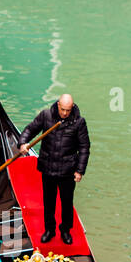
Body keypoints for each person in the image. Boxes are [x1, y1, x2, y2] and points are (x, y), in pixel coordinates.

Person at [16, 94, 90, 245]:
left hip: (67, 171)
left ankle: (65, 230)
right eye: (62, 109)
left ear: (72, 108)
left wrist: (80, 170)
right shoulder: (46, 115)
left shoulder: (79, 122)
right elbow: (31, 129)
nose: (64, 113)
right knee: (48, 202)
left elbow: (84, 147)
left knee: (67, 203)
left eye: (68, 110)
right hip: (48, 168)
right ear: (58, 105)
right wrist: (23, 142)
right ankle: (49, 230)